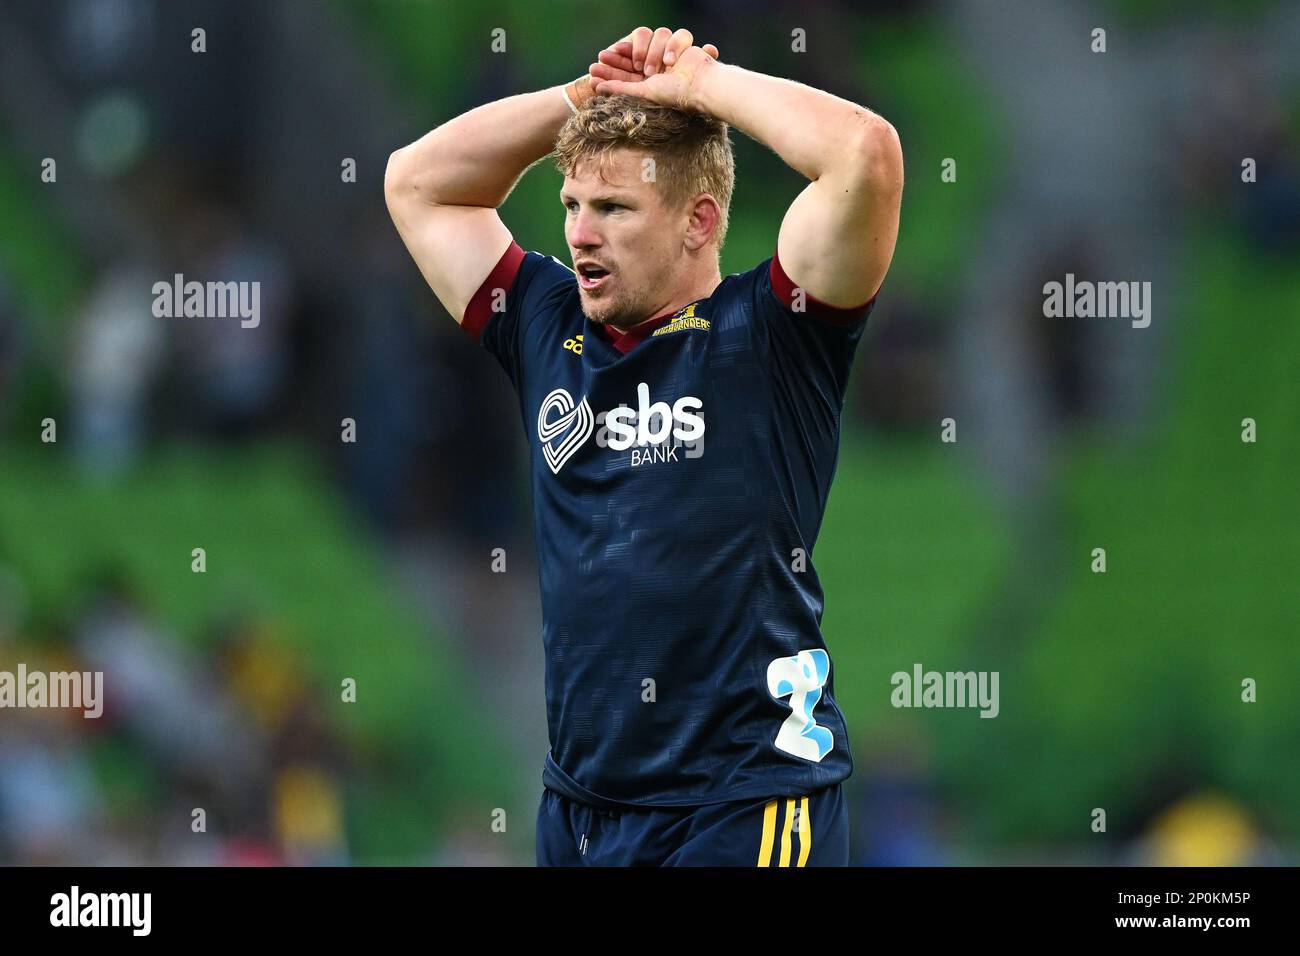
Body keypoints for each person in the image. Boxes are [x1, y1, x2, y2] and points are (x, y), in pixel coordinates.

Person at [385, 25, 902, 866]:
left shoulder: (774, 332)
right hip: (584, 811)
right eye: (572, 207)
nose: (580, 234)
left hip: (747, 800)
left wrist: (703, 82)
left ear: (699, 220)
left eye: (614, 208)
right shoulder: (546, 328)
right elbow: (417, 184)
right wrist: (580, 100)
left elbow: (865, 154)